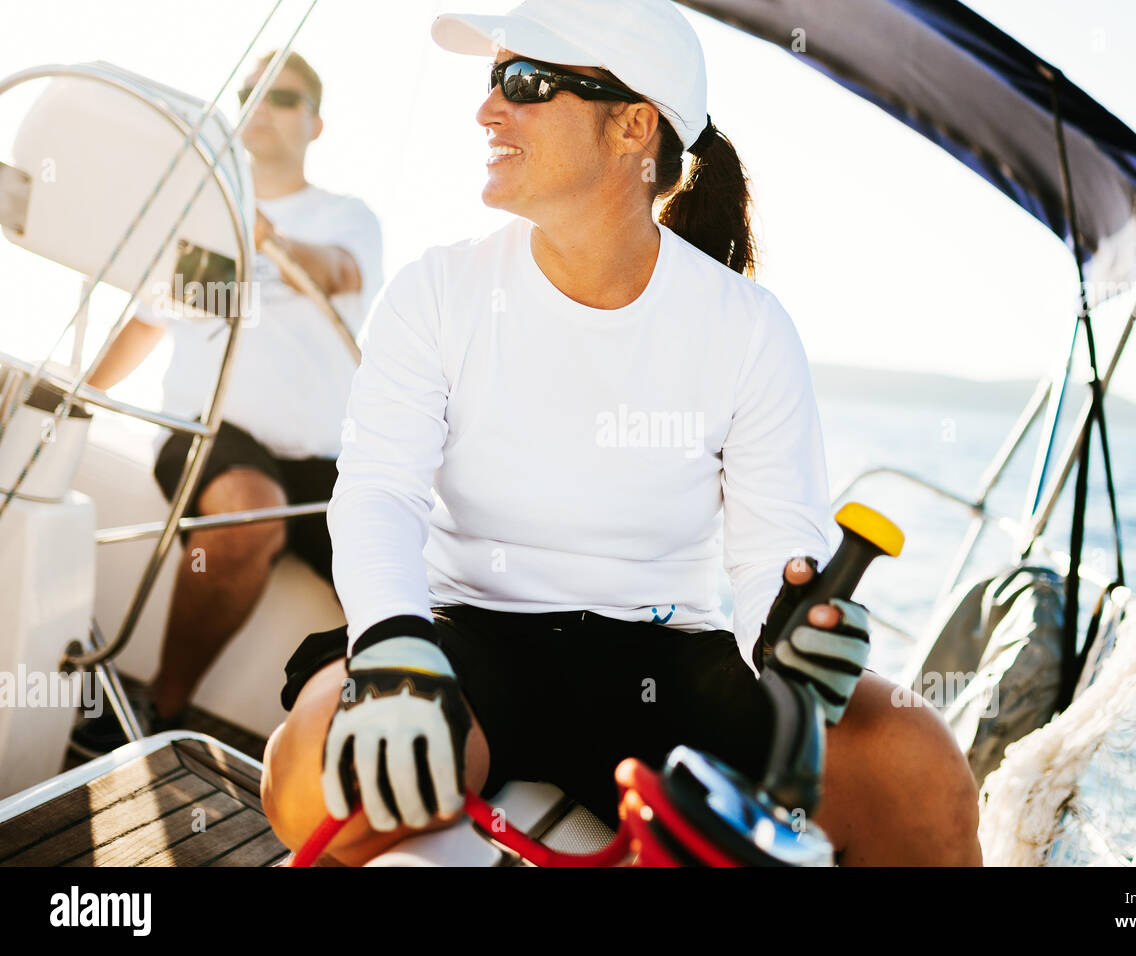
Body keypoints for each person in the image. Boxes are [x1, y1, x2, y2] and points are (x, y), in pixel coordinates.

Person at [260, 0, 982, 866]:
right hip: (467, 637)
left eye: (524, 83)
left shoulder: (746, 326)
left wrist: (794, 618)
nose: (488, 108)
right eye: (492, 79)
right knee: (313, 771)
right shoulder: (437, 291)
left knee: (918, 765)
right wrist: (391, 641)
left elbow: (768, 556)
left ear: (635, 126)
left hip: (664, 659)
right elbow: (378, 491)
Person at [73, 50, 384, 752]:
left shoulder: (346, 217)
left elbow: (338, 271)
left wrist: (265, 236)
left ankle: (361, 757)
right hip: (211, 437)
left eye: (282, 95)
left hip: (320, 462)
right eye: (250, 92)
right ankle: (165, 710)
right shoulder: (200, 217)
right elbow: (149, 320)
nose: (261, 106)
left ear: (317, 122)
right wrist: (73, 395)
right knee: (248, 510)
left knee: (407, 572)